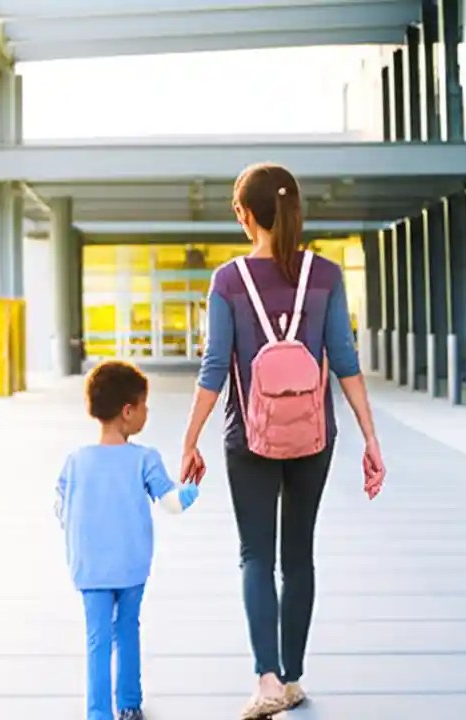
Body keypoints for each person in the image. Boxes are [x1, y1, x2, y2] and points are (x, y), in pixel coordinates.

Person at [179, 163, 387, 719]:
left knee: (255, 554)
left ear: (246, 216)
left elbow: (215, 367)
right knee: (299, 556)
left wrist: (189, 440)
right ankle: (292, 678)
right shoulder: (327, 275)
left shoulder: (227, 281)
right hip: (315, 438)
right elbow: (345, 361)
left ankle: (267, 679)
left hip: (248, 436)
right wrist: (371, 438)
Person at [55, 360, 201, 720]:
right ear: (127, 411)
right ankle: (130, 703)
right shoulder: (144, 459)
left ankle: (99, 712)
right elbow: (172, 503)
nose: (147, 413)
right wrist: (192, 489)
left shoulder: (75, 461)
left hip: (90, 568)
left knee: (97, 640)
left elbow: (61, 509)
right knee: (128, 630)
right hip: (132, 565)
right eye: (144, 405)